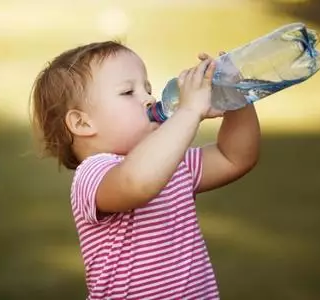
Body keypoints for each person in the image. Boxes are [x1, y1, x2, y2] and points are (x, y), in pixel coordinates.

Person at [30, 40, 260, 300]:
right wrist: (189, 111)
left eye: (147, 88)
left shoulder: (173, 164)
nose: (149, 98)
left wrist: (237, 97)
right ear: (82, 122)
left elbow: (235, 157)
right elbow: (137, 184)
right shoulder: (92, 175)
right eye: (128, 92)